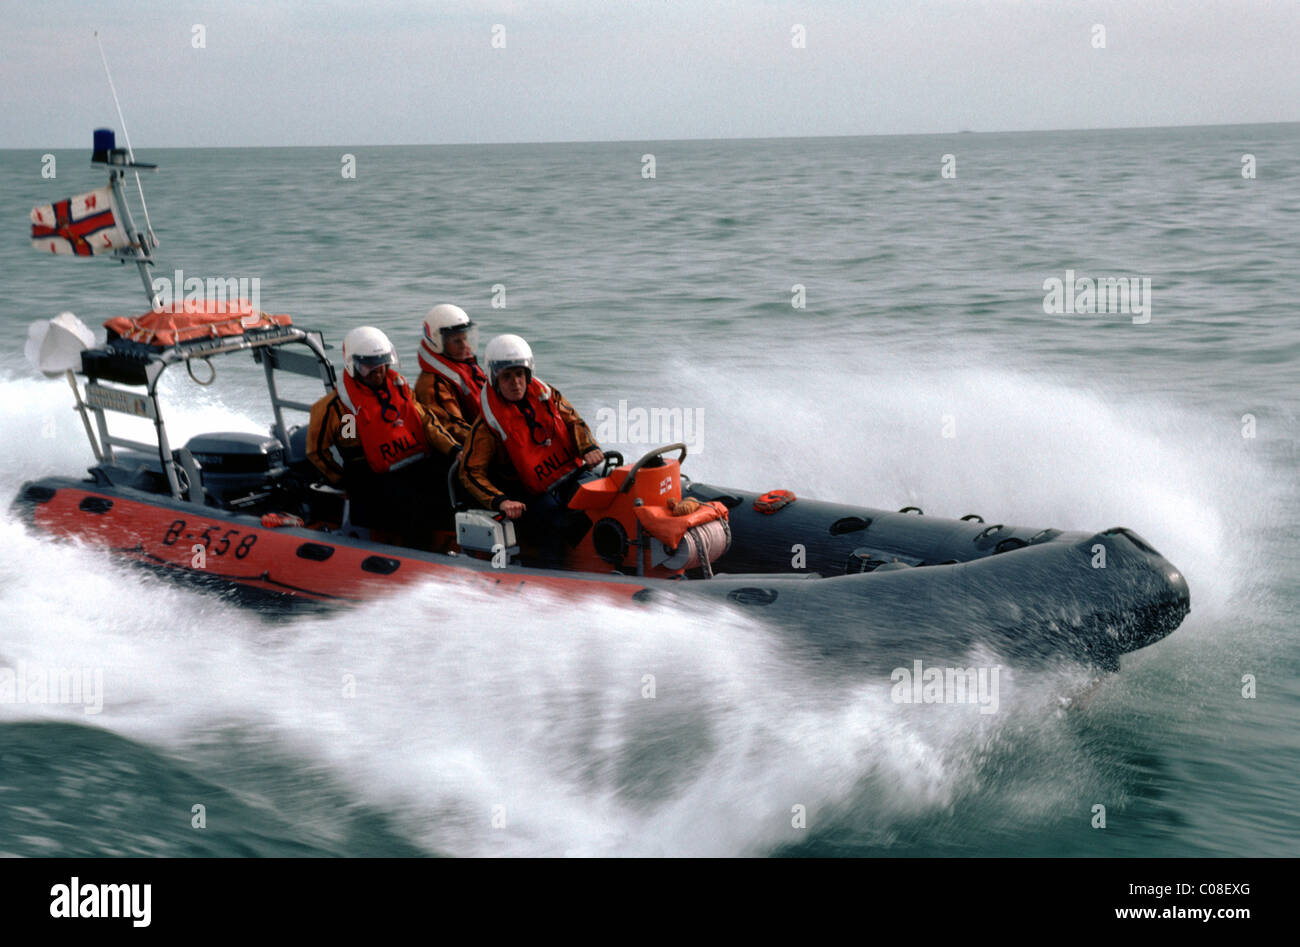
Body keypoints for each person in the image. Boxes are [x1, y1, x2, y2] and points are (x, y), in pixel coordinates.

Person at [307, 326, 461, 548]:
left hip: (411, 461)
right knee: (406, 502)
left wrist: (455, 450)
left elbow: (428, 423)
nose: (377, 372)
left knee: (452, 477)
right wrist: (341, 481)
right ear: (353, 366)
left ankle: (455, 539)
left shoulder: (401, 390)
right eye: (369, 366)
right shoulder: (336, 408)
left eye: (381, 364)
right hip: (369, 473)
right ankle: (411, 551)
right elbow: (317, 451)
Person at [459, 334, 603, 566]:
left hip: (565, 474)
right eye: (507, 376)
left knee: (600, 491)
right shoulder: (487, 426)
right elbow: (470, 472)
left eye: (519, 374)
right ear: (495, 379)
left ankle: (607, 557)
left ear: (528, 374)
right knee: (552, 516)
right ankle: (551, 571)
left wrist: (589, 447)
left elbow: (573, 422)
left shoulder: (547, 395)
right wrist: (500, 501)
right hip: (523, 492)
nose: (515, 382)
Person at [414, 303, 487, 447]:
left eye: (465, 338)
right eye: (457, 341)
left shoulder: (466, 366)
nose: (465, 345)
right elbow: (452, 427)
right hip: (469, 446)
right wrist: (492, 441)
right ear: (437, 341)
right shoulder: (432, 385)